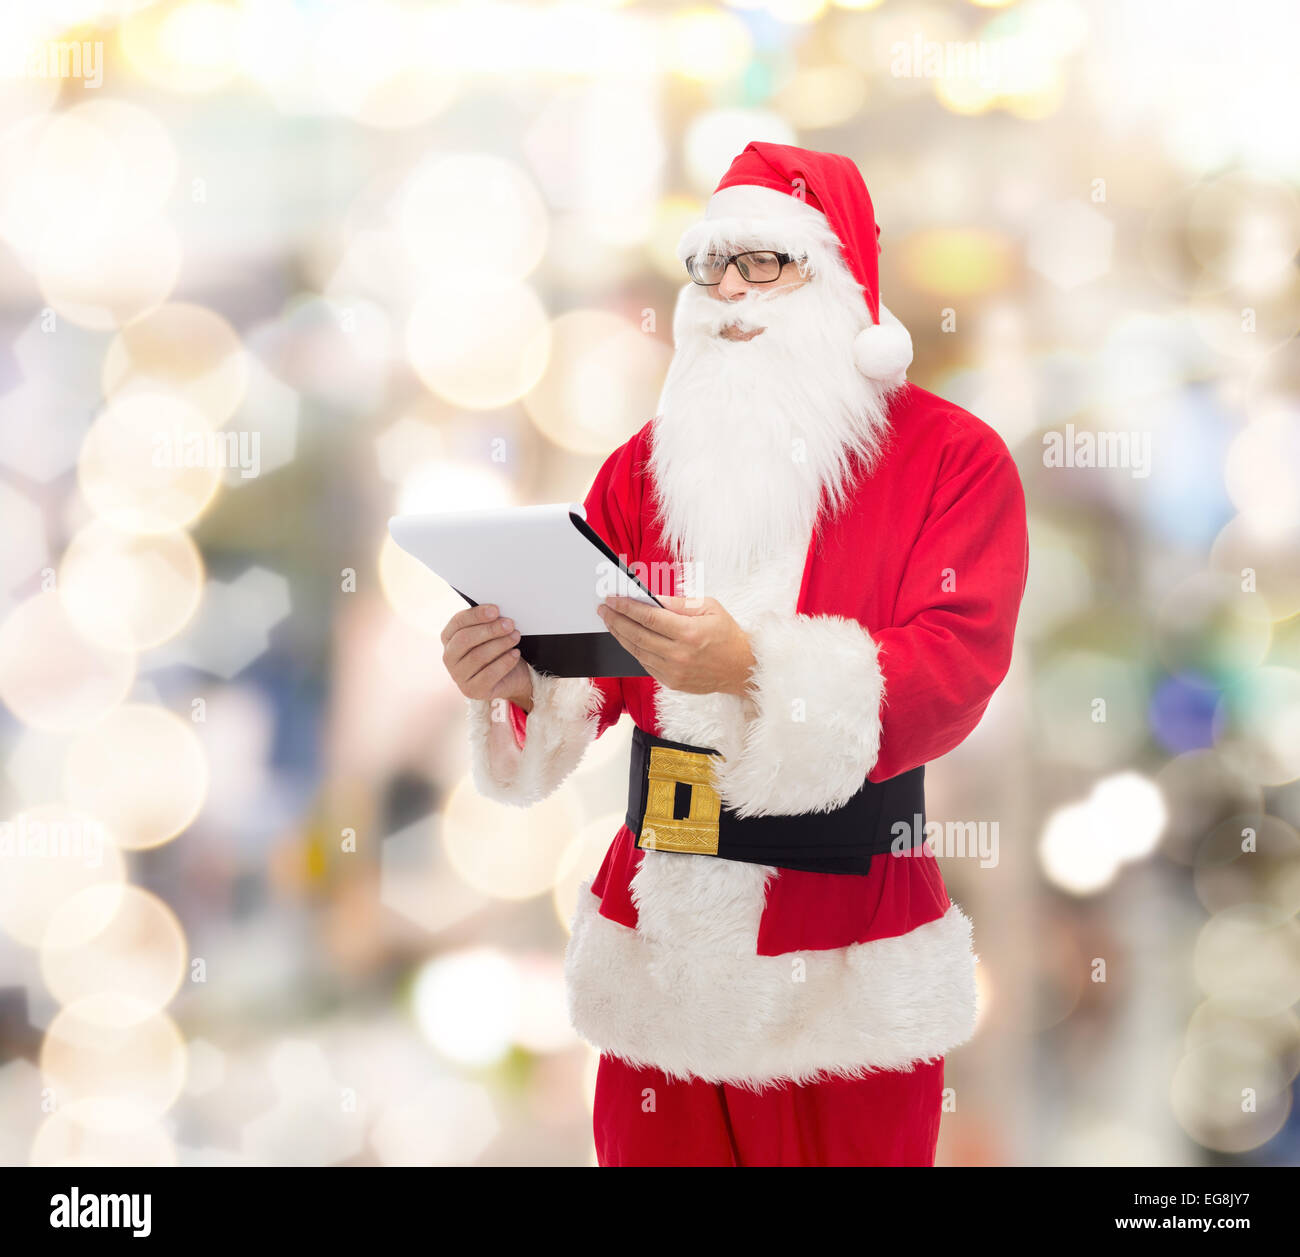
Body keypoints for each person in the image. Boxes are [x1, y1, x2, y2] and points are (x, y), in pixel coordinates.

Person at [442, 141, 1029, 1166]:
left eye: (765, 262)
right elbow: (589, 668)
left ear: (841, 284)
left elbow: (954, 667)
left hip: (845, 971)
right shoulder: (641, 469)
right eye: (710, 267)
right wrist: (510, 678)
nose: (727, 293)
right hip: (659, 963)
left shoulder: (951, 459)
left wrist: (754, 668)